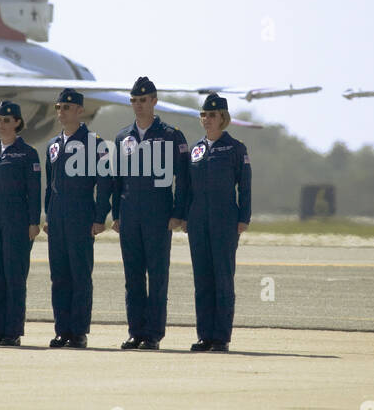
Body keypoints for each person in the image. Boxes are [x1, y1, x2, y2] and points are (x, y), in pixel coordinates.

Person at [110, 76, 189, 350]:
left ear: (154, 100)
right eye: (133, 100)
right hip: (130, 215)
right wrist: (116, 213)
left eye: (143, 100)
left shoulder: (170, 135)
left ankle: (153, 334)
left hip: (159, 215)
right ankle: (136, 332)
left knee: (157, 277)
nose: (138, 105)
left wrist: (178, 213)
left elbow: (184, 177)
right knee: (132, 277)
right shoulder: (123, 137)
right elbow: (116, 179)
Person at [184, 93, 251, 352]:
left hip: (225, 219)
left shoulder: (235, 148)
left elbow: (244, 187)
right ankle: (205, 335)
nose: (207, 119)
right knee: (202, 279)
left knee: (222, 278)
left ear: (223, 117)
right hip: (198, 219)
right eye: (203, 114)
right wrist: (186, 215)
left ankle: (221, 337)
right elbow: (187, 187)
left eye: (212, 115)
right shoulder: (195, 150)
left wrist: (243, 218)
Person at [43, 88, 110, 349]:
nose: (62, 112)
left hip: (81, 215)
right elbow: (50, 185)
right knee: (59, 276)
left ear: (80, 111)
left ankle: (78, 332)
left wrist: (99, 216)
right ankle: (62, 330)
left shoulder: (95, 143)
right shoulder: (53, 144)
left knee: (80, 276)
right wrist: (48, 215)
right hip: (57, 218)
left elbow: (104, 183)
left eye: (67, 107)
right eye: (59, 107)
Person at [0, 100, 41, 346]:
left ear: (17, 123)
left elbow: (34, 191)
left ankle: (12, 332)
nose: (1, 124)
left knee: (14, 276)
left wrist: (34, 221)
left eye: (6, 120)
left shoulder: (27, 153)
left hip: (17, 219)